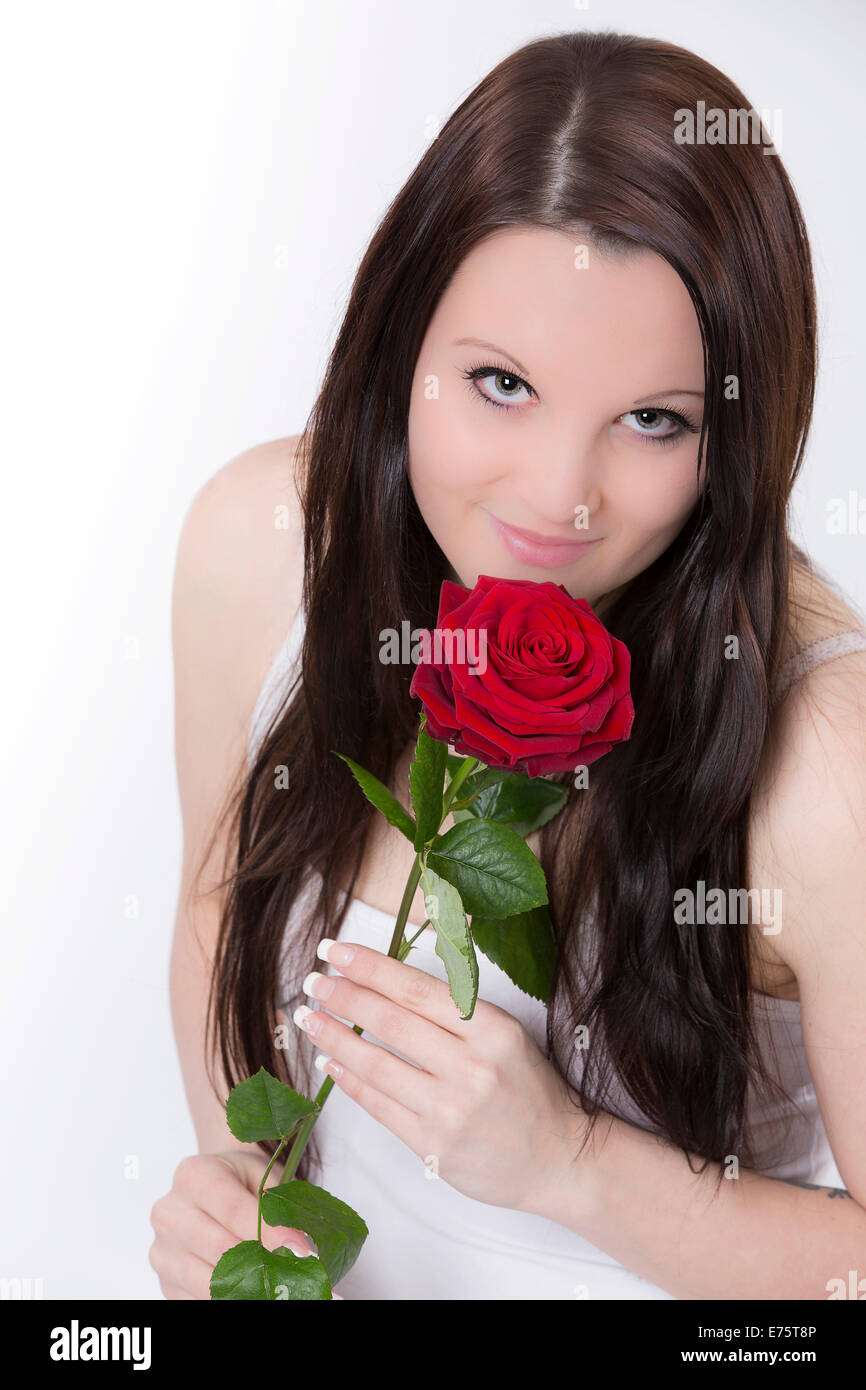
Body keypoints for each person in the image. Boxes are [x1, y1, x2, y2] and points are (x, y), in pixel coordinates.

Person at [149, 30, 866, 1300]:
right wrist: (251, 1200)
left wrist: (571, 1160)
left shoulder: (821, 753)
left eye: (653, 419)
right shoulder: (263, 550)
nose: (554, 500)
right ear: (399, 344)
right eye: (499, 383)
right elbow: (216, 906)